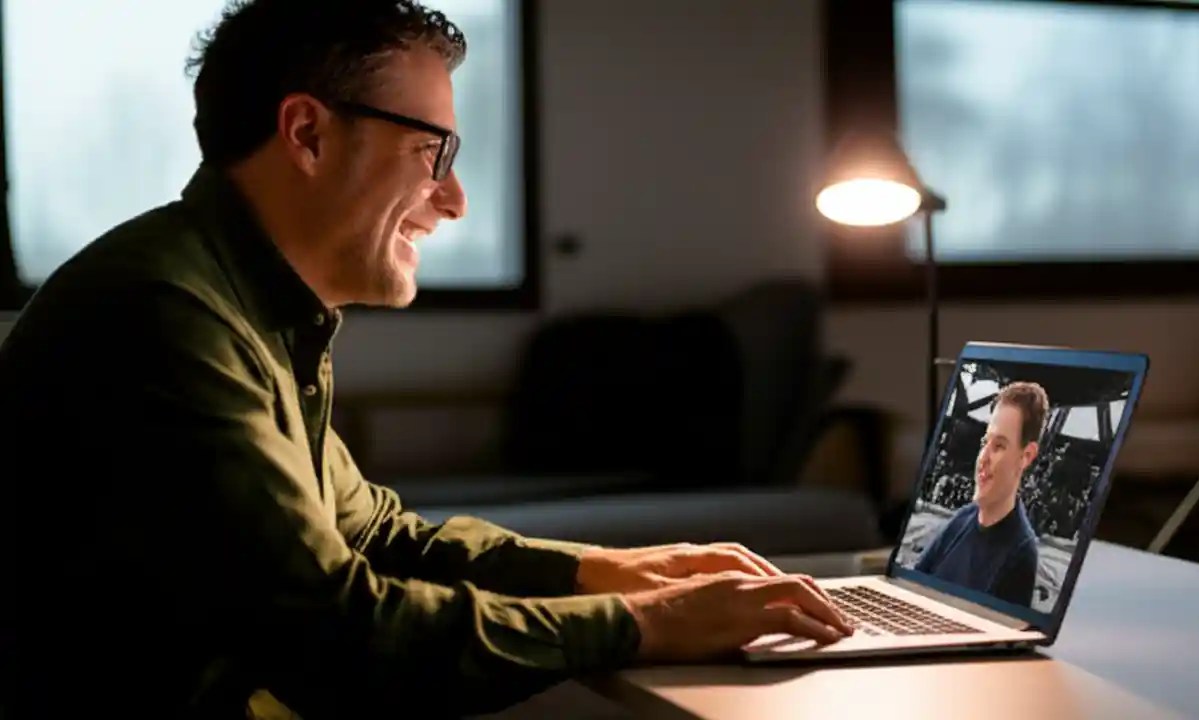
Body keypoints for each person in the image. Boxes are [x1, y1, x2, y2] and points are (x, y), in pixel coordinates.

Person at [0, 2, 853, 717]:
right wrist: (639, 622)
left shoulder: (244, 303)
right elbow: (336, 637)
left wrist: (616, 570)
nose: (453, 198)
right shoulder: (166, 317)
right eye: (433, 151)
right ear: (306, 133)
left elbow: (371, 534)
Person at [914, 381, 1049, 607]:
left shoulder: (1020, 554)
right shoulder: (963, 518)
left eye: (999, 446)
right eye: (985, 442)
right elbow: (913, 583)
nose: (982, 458)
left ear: (1026, 456)